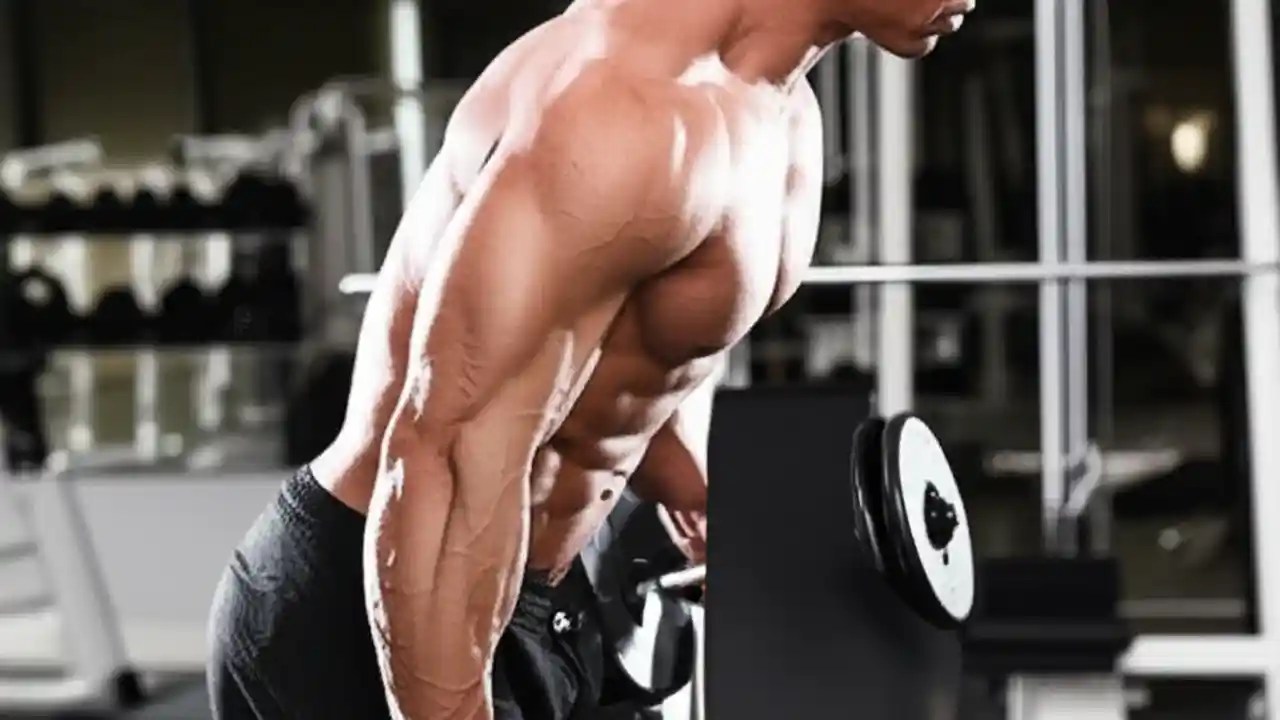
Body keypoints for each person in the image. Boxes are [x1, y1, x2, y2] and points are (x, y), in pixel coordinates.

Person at [206, 0, 973, 717]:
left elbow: (644, 347)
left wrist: (697, 493)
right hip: (388, 601)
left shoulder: (782, 114)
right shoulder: (619, 113)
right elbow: (441, 458)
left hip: (534, 594)